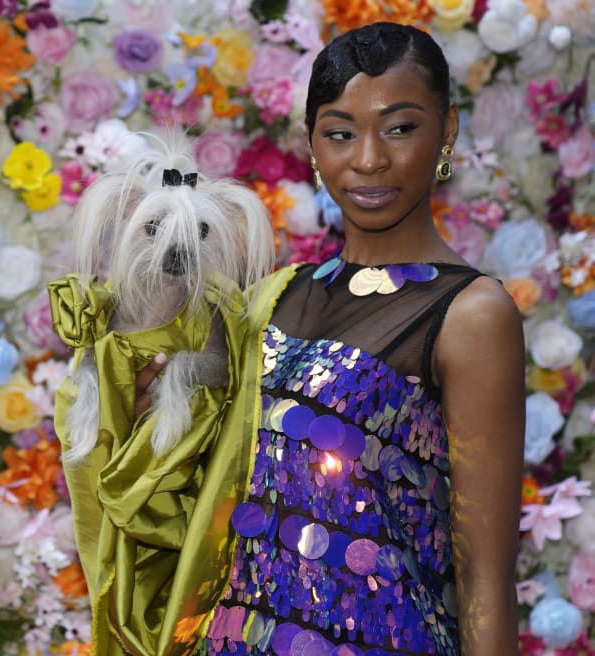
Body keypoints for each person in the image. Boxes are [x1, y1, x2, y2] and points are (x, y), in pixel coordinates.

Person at [125, 21, 525, 656]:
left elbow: (486, 578)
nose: (368, 158)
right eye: (340, 133)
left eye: (399, 127)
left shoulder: (469, 313)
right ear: (312, 144)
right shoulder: (270, 296)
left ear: (447, 130)